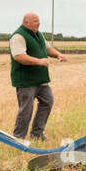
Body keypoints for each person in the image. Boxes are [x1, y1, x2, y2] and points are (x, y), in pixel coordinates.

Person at [8, 12, 66, 141]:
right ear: (26, 22)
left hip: (40, 80)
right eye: (35, 21)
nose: (38, 23)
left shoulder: (38, 34)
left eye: (38, 21)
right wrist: (39, 61)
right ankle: (19, 137)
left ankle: (37, 134)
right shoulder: (18, 36)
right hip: (26, 81)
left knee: (47, 102)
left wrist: (58, 55)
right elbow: (19, 56)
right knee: (26, 109)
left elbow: (47, 49)